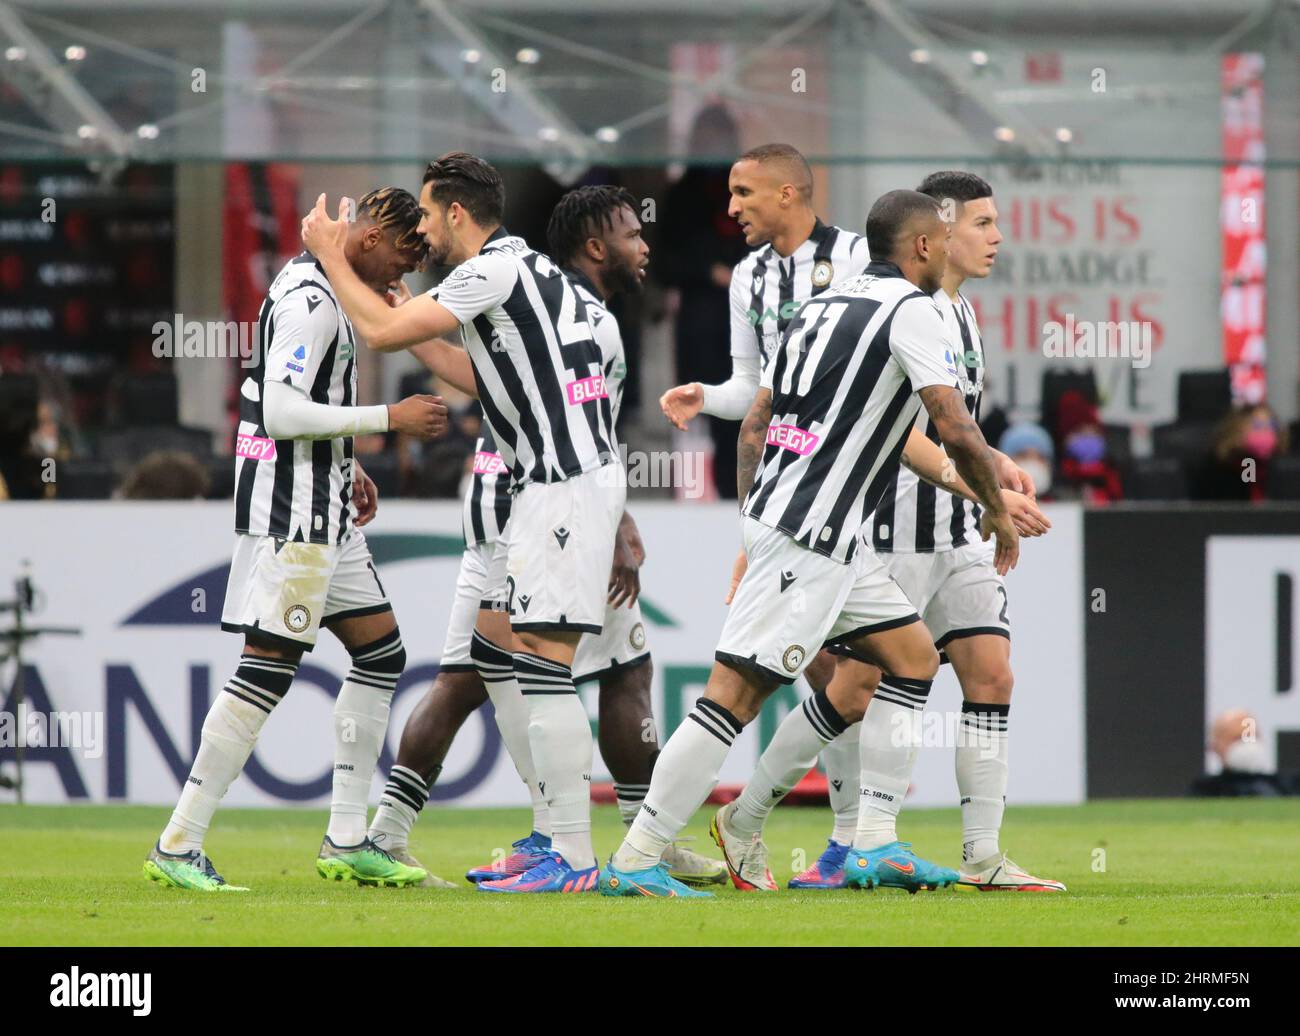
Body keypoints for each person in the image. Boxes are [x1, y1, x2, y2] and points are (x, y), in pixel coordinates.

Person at [600, 189, 1019, 898]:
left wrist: (751, 517)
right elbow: (950, 421)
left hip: (817, 529)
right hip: (811, 535)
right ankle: (638, 856)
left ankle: (876, 843)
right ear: (921, 246)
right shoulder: (912, 310)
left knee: (913, 657)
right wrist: (998, 512)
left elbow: (764, 411)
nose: (952, 248)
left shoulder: (820, 307)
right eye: (945, 237)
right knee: (731, 698)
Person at [364, 185, 723, 888]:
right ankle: (592, 844)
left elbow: (587, 428)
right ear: (595, 246)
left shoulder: (597, 319)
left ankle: (615, 841)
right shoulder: (523, 288)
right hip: (519, 502)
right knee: (518, 667)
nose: (646, 243)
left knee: (568, 669)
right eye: (630, 232)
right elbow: (499, 391)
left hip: (570, 500)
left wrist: (616, 516)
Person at [716, 172, 1064, 893]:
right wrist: (990, 492)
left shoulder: (961, 315)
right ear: (936, 234)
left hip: (957, 532)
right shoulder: (901, 308)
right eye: (982, 223)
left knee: (991, 674)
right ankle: (770, 821)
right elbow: (910, 437)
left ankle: (982, 856)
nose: (996, 236)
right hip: (890, 527)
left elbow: (955, 422)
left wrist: (993, 466)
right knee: (855, 688)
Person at [301, 153, 625, 893]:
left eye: (425, 212)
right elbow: (480, 374)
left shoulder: (490, 271)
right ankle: (540, 841)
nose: (419, 227)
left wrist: (330, 256)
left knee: (543, 667)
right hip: (556, 488)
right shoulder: (527, 273)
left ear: (456, 213)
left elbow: (379, 332)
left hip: (562, 488)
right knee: (497, 663)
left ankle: (571, 855)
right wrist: (397, 305)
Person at [144, 187, 446, 891]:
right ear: (370, 238)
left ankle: (346, 839)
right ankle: (178, 841)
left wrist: (353, 463)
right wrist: (387, 419)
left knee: (382, 653)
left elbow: (305, 404)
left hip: (327, 502)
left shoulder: (334, 288)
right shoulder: (313, 299)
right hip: (294, 511)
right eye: (403, 253)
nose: (405, 276)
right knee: (269, 667)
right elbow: (280, 412)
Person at [1189, 709, 1300, 797]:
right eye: (1237, 738)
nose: (1248, 745)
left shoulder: (1287, 786)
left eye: (1253, 737)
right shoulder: (1204, 791)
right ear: (1215, 746)